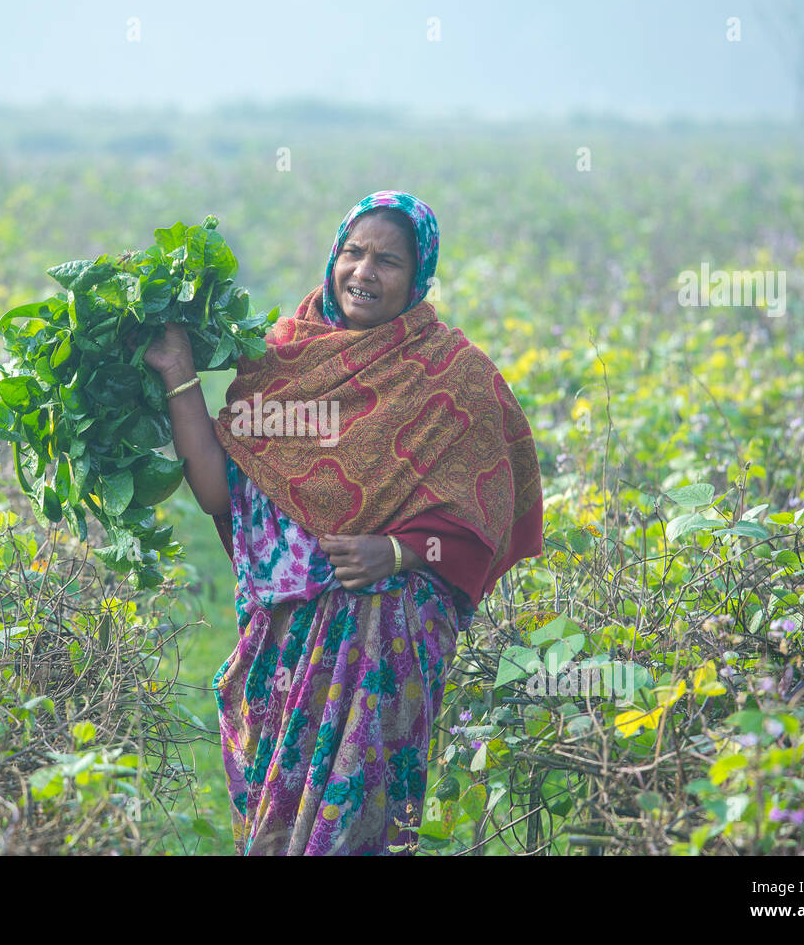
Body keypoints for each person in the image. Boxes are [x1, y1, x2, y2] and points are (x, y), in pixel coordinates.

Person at [142, 189, 544, 855]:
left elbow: (486, 518)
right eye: (353, 253)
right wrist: (178, 373)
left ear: (419, 278)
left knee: (356, 831)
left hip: (384, 638)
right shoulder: (280, 357)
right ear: (333, 256)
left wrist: (401, 551)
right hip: (281, 639)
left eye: (388, 260)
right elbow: (222, 492)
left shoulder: (454, 375)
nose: (364, 272)